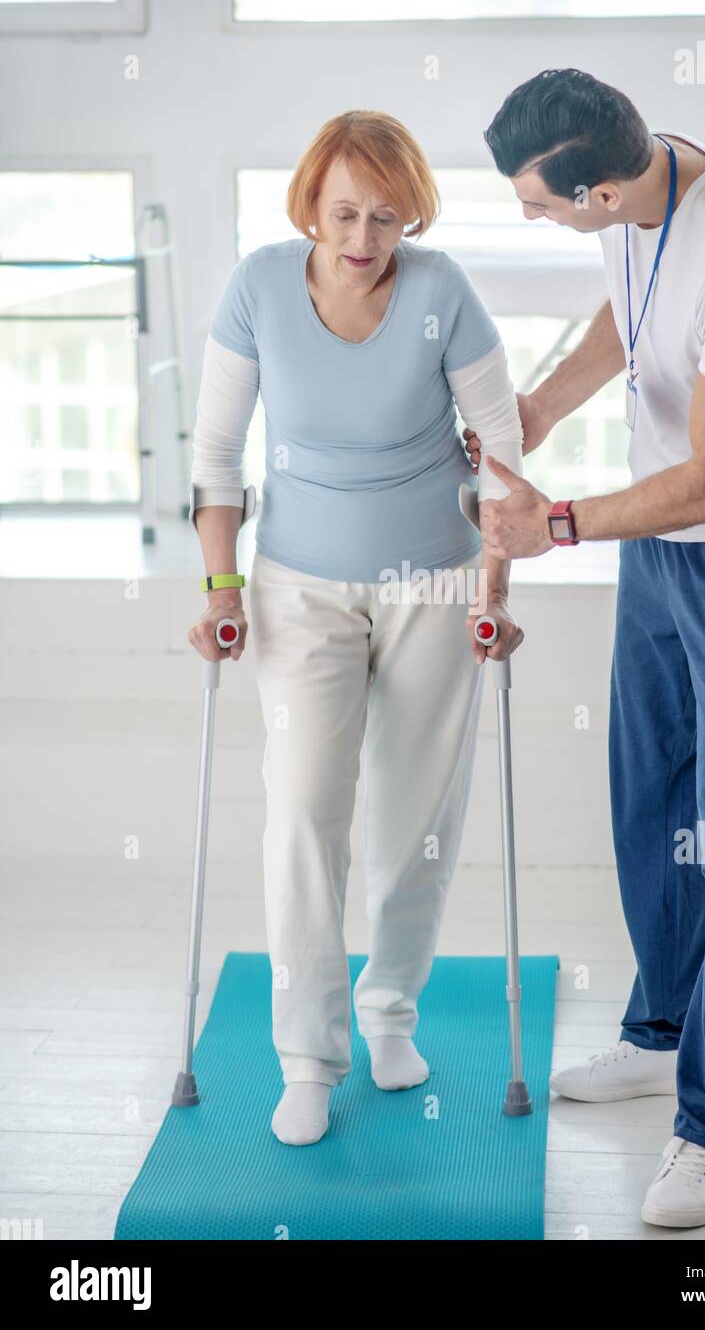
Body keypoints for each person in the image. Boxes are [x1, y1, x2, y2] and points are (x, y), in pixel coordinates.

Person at [463, 68, 705, 1229]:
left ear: (603, 184)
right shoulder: (637, 193)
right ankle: (658, 1031)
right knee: (645, 807)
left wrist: (553, 522)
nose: (531, 218)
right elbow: (624, 314)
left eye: (541, 204)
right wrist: (540, 410)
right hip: (659, 551)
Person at [187, 110, 525, 1147]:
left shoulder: (441, 291)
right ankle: (306, 1053)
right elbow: (214, 457)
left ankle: (389, 1012)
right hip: (299, 586)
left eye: (385, 215)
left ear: (411, 212)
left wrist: (493, 595)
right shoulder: (256, 288)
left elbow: (500, 454)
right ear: (309, 204)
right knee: (300, 816)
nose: (363, 236)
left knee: (414, 816)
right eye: (343, 211)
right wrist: (222, 590)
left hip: (433, 581)